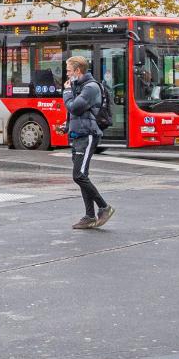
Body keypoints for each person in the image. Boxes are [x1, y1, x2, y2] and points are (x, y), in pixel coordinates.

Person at [59, 56, 114, 230]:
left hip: (88, 135)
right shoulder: (79, 86)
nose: (66, 74)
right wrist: (67, 126)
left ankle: (104, 207)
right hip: (78, 134)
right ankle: (89, 216)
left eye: (68, 70)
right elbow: (75, 113)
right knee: (83, 176)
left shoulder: (90, 87)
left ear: (77, 71)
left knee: (79, 175)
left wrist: (66, 93)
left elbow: (74, 107)